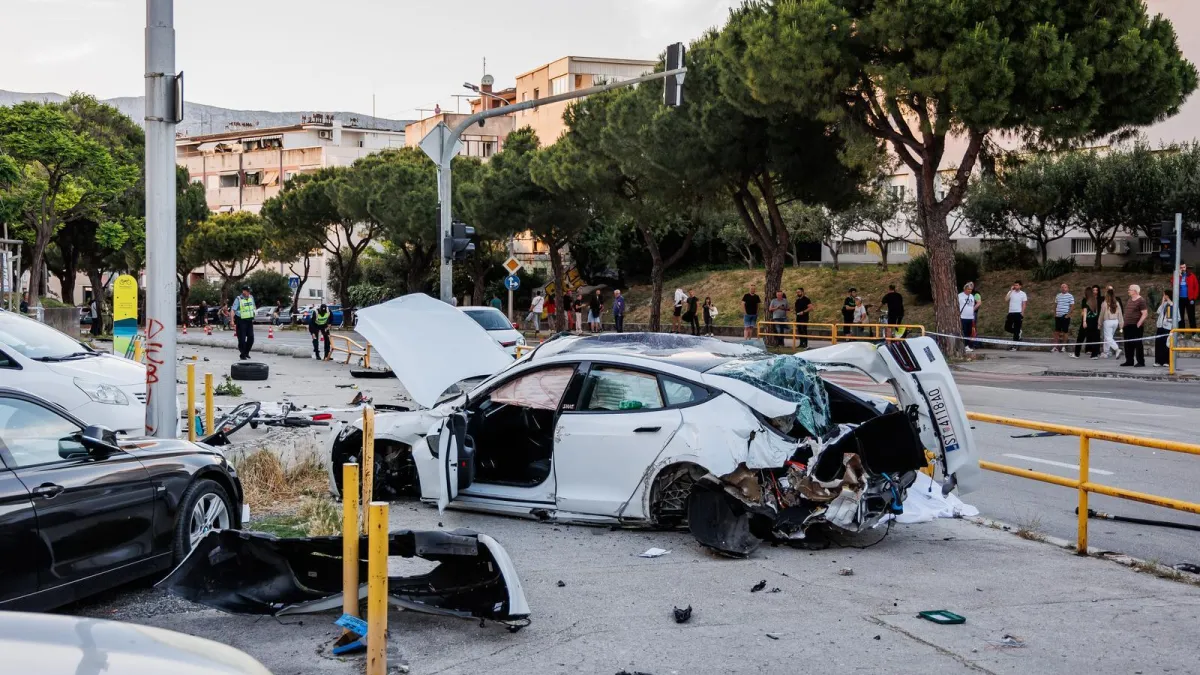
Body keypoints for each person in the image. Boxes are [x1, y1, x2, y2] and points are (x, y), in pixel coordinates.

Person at [1120, 284, 1149, 368]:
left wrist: (1139, 323)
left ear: (1135, 291)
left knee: (1138, 344)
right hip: (1127, 325)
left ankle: (1140, 361)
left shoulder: (1141, 300)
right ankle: (1129, 360)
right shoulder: (1130, 299)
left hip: (1135, 325)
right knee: (1128, 344)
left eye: (1130, 289)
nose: (1128, 291)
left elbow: (1145, 313)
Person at [1072, 285, 1101, 359]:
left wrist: (1084, 321)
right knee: (1094, 338)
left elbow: (1084, 311)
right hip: (1094, 321)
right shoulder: (1095, 300)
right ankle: (1094, 355)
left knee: (1080, 338)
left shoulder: (1085, 300)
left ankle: (1076, 354)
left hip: (1087, 321)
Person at [232, 285, 257, 360]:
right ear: (243, 291)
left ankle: (246, 352)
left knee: (251, 338)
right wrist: (232, 320)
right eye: (247, 291)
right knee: (242, 339)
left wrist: (254, 313)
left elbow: (253, 306)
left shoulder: (251, 297)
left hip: (249, 320)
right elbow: (233, 310)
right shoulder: (238, 299)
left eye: (249, 291)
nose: (249, 293)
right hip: (241, 320)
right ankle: (242, 354)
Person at [1099, 287, 1123, 359]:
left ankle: (1117, 349)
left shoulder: (1105, 303)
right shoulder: (1117, 303)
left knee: (1108, 337)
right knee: (1109, 338)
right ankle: (1106, 352)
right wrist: (1121, 324)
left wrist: (1099, 323)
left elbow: (1101, 314)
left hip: (1108, 322)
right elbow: (1120, 314)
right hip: (1115, 322)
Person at [1003, 280, 1028, 350]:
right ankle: (1018, 332)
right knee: (1007, 327)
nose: (1015, 286)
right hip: (1011, 312)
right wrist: (1010, 291)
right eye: (1014, 285)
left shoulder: (1023, 294)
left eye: (1017, 285)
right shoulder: (1011, 292)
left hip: (1018, 313)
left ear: (1020, 286)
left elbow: (1024, 304)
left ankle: (1014, 346)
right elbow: (1006, 299)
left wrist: (1022, 313)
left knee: (1016, 329)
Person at [1052, 283, 1075, 352]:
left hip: (1065, 316)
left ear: (1067, 288)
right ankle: (1055, 347)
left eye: (1065, 287)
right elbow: (1055, 305)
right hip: (1058, 316)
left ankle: (1063, 347)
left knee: (1065, 331)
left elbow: (1072, 306)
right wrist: (1055, 313)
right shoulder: (1058, 295)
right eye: (1062, 287)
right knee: (1056, 331)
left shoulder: (1070, 296)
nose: (1063, 288)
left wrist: (1068, 315)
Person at [1154, 290, 1175, 367]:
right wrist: (1162, 302)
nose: (1163, 296)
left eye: (1164, 295)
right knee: (1158, 343)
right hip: (1160, 326)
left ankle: (1166, 361)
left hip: (1168, 327)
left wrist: (1169, 301)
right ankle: (1158, 361)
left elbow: (1177, 317)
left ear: (1167, 296)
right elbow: (1158, 311)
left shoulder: (1173, 304)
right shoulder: (1164, 304)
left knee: (1166, 344)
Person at [1175, 263, 1198, 330]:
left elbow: (1196, 287)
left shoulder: (1191, 275)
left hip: (1189, 299)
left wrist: (1194, 297)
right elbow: (1173, 283)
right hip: (1180, 299)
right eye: (1181, 267)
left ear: (1186, 267)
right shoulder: (1177, 276)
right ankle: (1181, 333)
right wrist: (1178, 275)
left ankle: (1194, 334)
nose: (1183, 269)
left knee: (1191, 316)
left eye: (1184, 267)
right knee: (1180, 317)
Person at [957, 282, 979, 352]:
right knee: (964, 332)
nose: (970, 291)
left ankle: (968, 345)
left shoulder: (972, 296)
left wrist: (972, 312)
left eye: (971, 289)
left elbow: (973, 305)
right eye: (968, 289)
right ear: (965, 289)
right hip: (963, 317)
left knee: (970, 332)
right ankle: (964, 346)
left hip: (970, 317)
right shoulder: (960, 295)